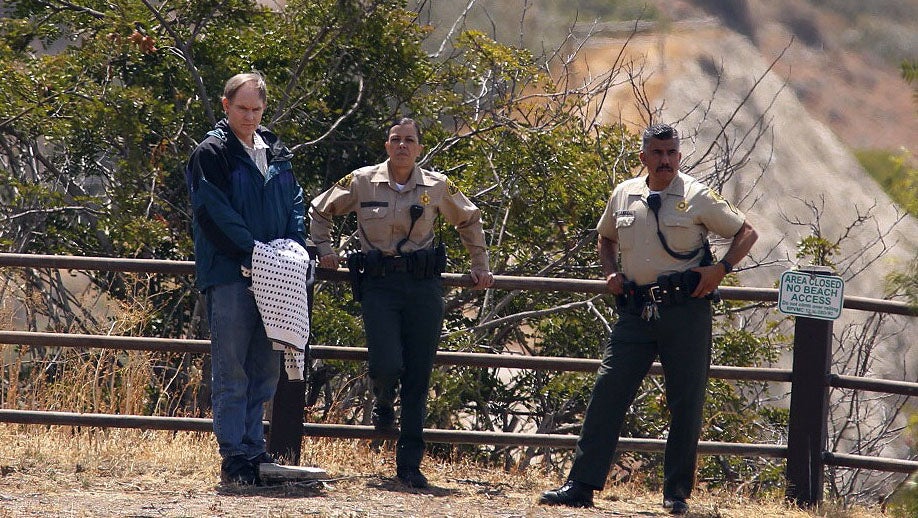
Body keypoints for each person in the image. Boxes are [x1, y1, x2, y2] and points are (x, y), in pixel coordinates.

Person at [540, 123, 758, 515]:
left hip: (685, 310)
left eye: (672, 153)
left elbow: (747, 232)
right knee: (608, 391)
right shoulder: (625, 193)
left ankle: (675, 494)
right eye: (657, 153)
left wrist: (721, 268)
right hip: (636, 312)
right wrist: (610, 272)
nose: (666, 161)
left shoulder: (697, 196)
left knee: (685, 401)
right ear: (643, 157)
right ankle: (581, 485)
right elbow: (606, 237)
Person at [309, 117, 493, 488]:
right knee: (386, 362)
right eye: (396, 139)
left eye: (410, 140)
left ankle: (409, 465)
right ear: (386, 144)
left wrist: (480, 266)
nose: (402, 146)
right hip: (379, 284)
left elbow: (469, 219)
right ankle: (382, 399)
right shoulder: (362, 180)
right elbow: (318, 209)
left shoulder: (438, 186)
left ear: (420, 148)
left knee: (419, 374)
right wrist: (324, 250)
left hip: (423, 286)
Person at [185, 72, 307, 485]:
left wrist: (293, 248)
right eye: (242, 108)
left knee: (264, 367)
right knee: (232, 368)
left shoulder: (276, 150)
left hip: (277, 274)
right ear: (226, 105)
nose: (250, 116)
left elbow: (295, 201)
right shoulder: (211, 153)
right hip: (231, 273)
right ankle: (234, 456)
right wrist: (253, 253)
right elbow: (213, 212)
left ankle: (256, 452)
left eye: (256, 109)